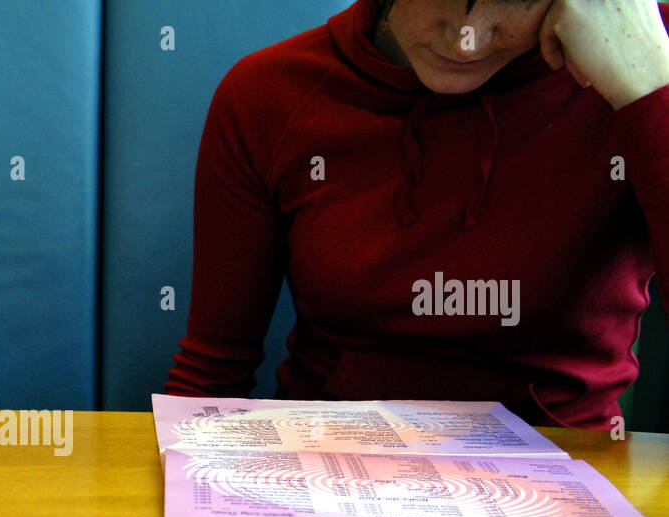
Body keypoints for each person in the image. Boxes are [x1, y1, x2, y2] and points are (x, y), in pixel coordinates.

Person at [165, 0, 669, 427]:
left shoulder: (646, 62)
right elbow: (212, 373)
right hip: (323, 466)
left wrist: (650, 88)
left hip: (574, 475)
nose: (467, 41)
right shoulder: (272, 92)